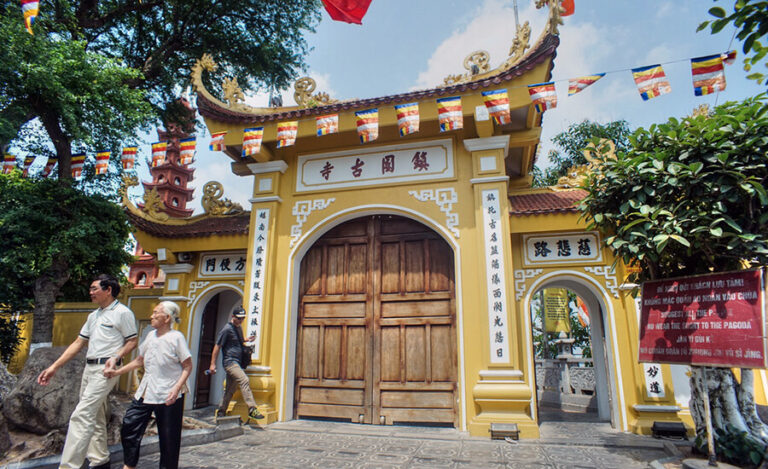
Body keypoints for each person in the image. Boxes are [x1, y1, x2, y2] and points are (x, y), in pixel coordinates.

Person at [37, 274, 138, 469]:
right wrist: (53, 367)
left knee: (81, 415)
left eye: (94, 289)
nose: (90, 292)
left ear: (108, 290)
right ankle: (100, 461)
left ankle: (68, 466)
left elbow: (132, 341)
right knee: (96, 415)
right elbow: (78, 343)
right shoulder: (94, 316)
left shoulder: (122, 313)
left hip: (106, 371)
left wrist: (115, 357)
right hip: (89, 368)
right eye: (91, 289)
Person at [106, 301, 192, 469]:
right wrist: (117, 372)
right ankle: (129, 464)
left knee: (168, 438)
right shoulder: (151, 335)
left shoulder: (176, 338)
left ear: (167, 318)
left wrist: (176, 389)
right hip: (146, 391)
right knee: (129, 425)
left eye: (155, 313)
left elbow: (187, 366)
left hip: (169, 393)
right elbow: (140, 360)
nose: (151, 316)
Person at [208, 307, 264, 421]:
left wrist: (247, 340)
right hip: (230, 362)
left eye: (243, 318)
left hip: (237, 362)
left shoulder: (238, 328)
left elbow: (240, 340)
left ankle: (221, 412)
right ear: (233, 317)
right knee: (244, 380)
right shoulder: (226, 329)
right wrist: (212, 364)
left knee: (230, 390)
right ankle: (252, 409)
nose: (241, 320)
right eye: (239, 318)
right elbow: (217, 346)